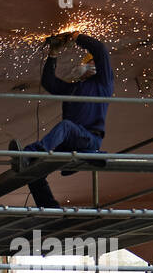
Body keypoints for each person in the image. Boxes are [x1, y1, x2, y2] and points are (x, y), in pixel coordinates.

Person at [10, 31, 113, 209]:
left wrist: (76, 36)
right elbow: (49, 83)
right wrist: (53, 54)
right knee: (35, 172)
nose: (90, 65)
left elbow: (100, 50)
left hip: (89, 139)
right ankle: (49, 206)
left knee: (65, 127)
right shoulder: (73, 89)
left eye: (92, 63)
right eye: (88, 63)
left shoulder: (103, 84)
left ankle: (33, 153)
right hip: (71, 142)